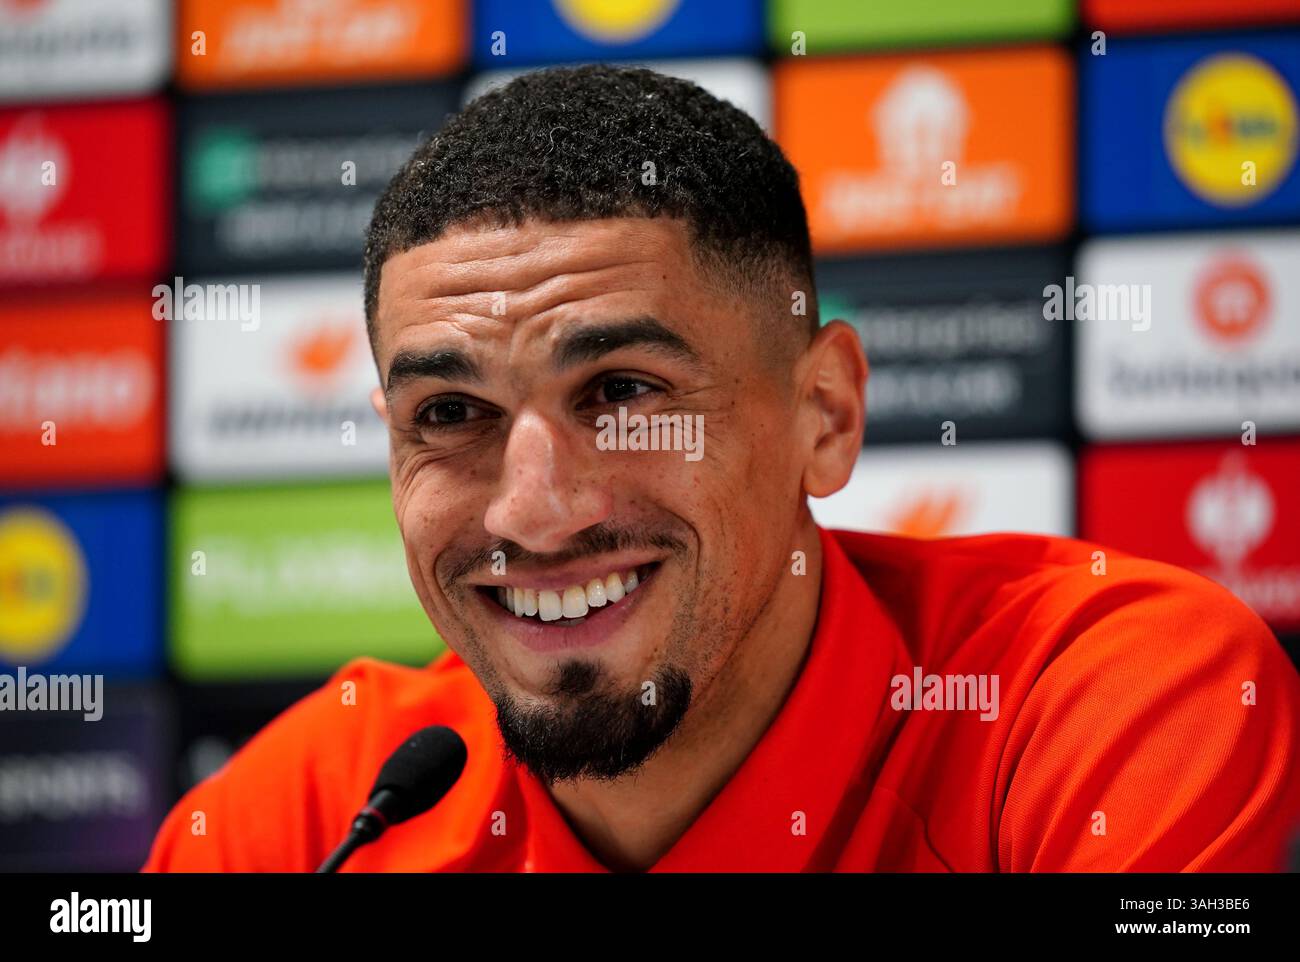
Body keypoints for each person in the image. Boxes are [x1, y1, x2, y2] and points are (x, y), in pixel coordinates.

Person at [145, 65, 1300, 872]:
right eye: (450, 411)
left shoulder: (1108, 703)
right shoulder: (307, 817)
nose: (534, 508)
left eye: (625, 392)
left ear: (825, 415)